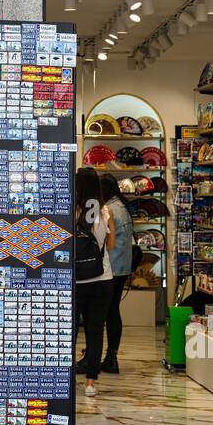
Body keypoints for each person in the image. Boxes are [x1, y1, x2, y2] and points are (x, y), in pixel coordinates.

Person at [73, 167, 114, 398]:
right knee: (95, 330)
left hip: (77, 279)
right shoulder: (105, 211)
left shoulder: (73, 211)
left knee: (71, 331)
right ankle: (91, 382)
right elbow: (110, 245)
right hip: (102, 278)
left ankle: (67, 378)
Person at [99, 174, 133, 374]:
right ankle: (111, 356)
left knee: (106, 313)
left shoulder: (109, 209)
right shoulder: (122, 206)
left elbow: (107, 241)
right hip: (122, 267)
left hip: (111, 267)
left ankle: (109, 357)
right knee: (113, 311)